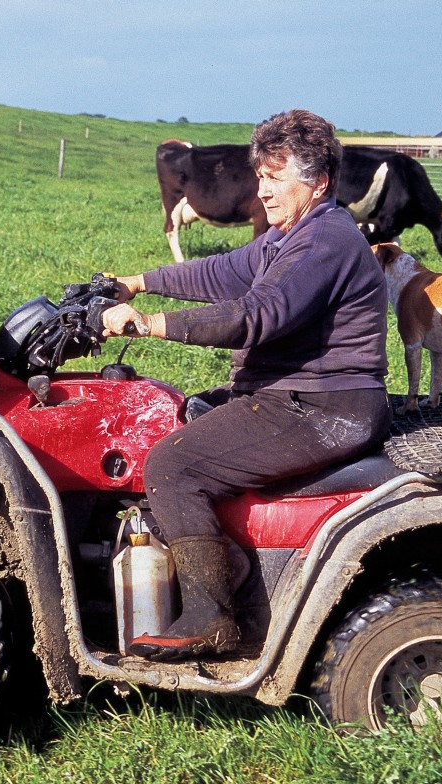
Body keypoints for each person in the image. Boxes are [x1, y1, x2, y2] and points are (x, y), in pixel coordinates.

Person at [101, 109, 392, 661]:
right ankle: (228, 562)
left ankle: (212, 618)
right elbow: (223, 272)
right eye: (261, 176)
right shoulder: (292, 234)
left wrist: (150, 323)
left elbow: (258, 314)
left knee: (173, 464)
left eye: (276, 177)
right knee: (180, 418)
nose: (264, 190)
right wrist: (136, 282)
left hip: (324, 407)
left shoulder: (325, 240)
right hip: (300, 396)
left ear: (318, 182)